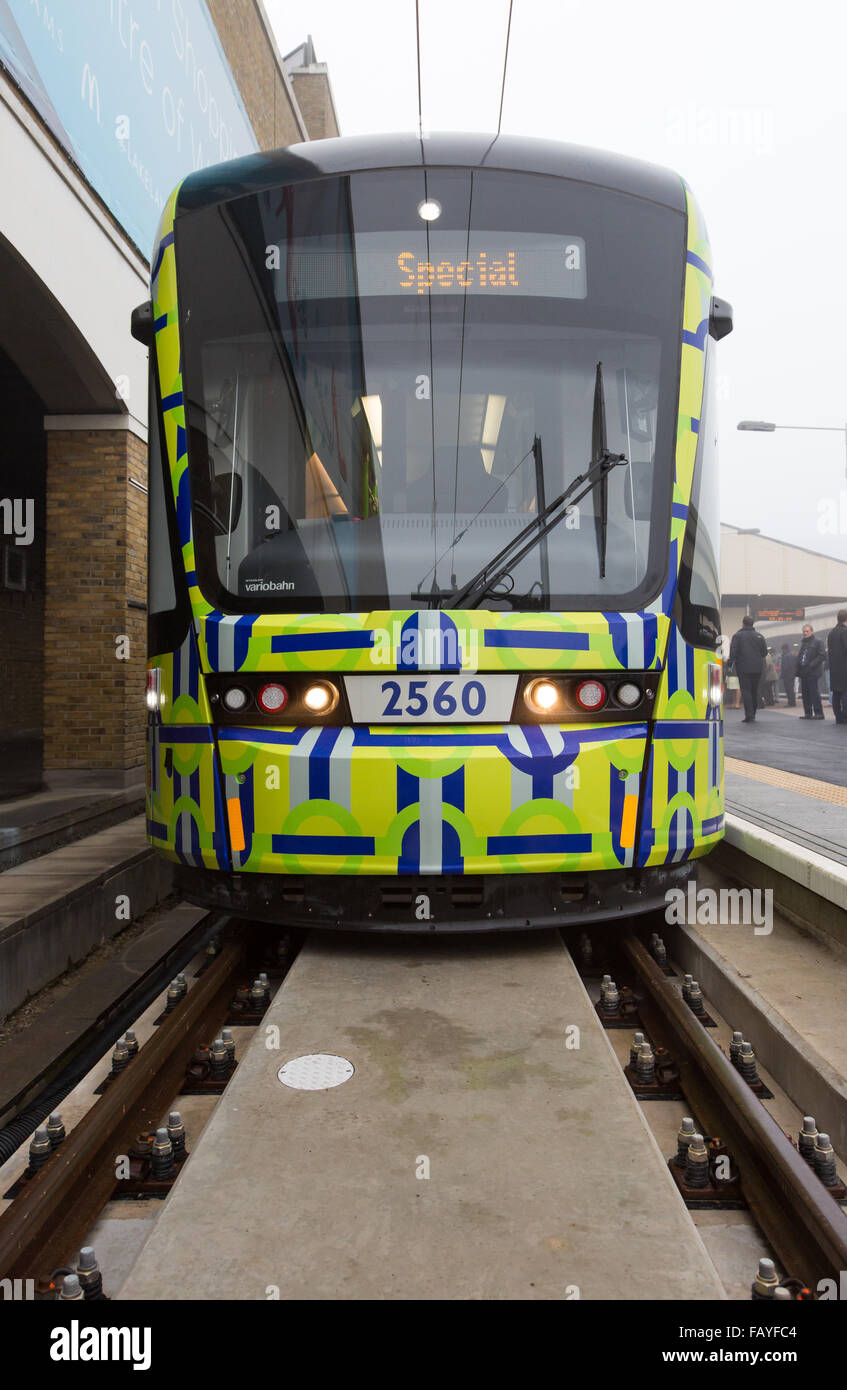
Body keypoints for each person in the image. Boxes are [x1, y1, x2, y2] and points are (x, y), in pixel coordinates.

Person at [728, 615, 768, 722]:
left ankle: (749, 715)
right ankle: (753, 713)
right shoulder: (759, 636)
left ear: (743, 623)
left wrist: (730, 664)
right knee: (754, 690)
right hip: (758, 668)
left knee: (746, 690)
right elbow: (764, 652)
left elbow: (733, 652)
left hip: (743, 667)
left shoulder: (737, 636)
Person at [797, 623, 826, 719]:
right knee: (805, 693)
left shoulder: (818, 641)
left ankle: (819, 713)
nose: (805, 633)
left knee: (814, 692)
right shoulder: (804, 643)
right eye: (804, 632)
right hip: (804, 671)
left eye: (807, 631)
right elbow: (800, 656)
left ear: (812, 631)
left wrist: (811, 665)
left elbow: (822, 655)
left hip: (813, 671)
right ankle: (808, 713)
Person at [827, 609, 847, 725]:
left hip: (834, 668)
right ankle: (845, 716)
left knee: (836, 693)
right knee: (845, 693)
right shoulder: (844, 632)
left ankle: (838, 717)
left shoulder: (832, 633)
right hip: (845, 668)